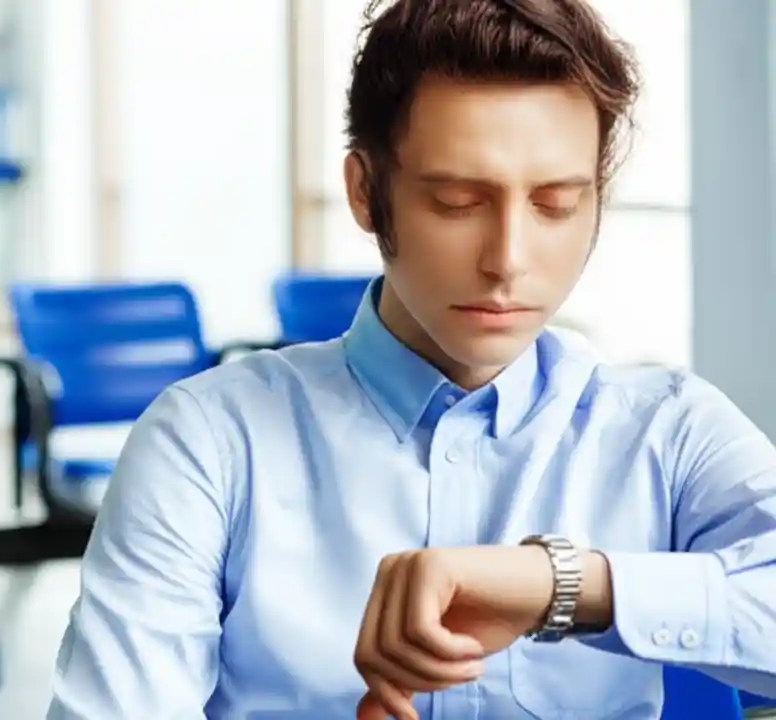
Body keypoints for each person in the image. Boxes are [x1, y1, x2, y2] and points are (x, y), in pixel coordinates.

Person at [47, 0, 776, 718]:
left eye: (555, 204)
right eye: (458, 202)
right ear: (366, 193)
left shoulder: (667, 431)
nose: (508, 261)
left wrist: (558, 584)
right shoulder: (210, 442)